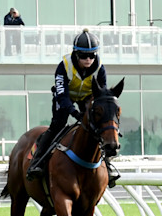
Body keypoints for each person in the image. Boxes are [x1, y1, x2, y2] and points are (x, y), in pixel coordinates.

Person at [27, 29, 107, 180]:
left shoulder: (100, 68)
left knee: (97, 127)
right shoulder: (63, 66)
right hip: (65, 98)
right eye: (84, 56)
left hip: (86, 99)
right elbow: (62, 95)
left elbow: (101, 94)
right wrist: (74, 112)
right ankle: (36, 162)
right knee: (57, 125)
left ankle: (107, 165)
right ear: (76, 54)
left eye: (92, 55)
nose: (88, 60)